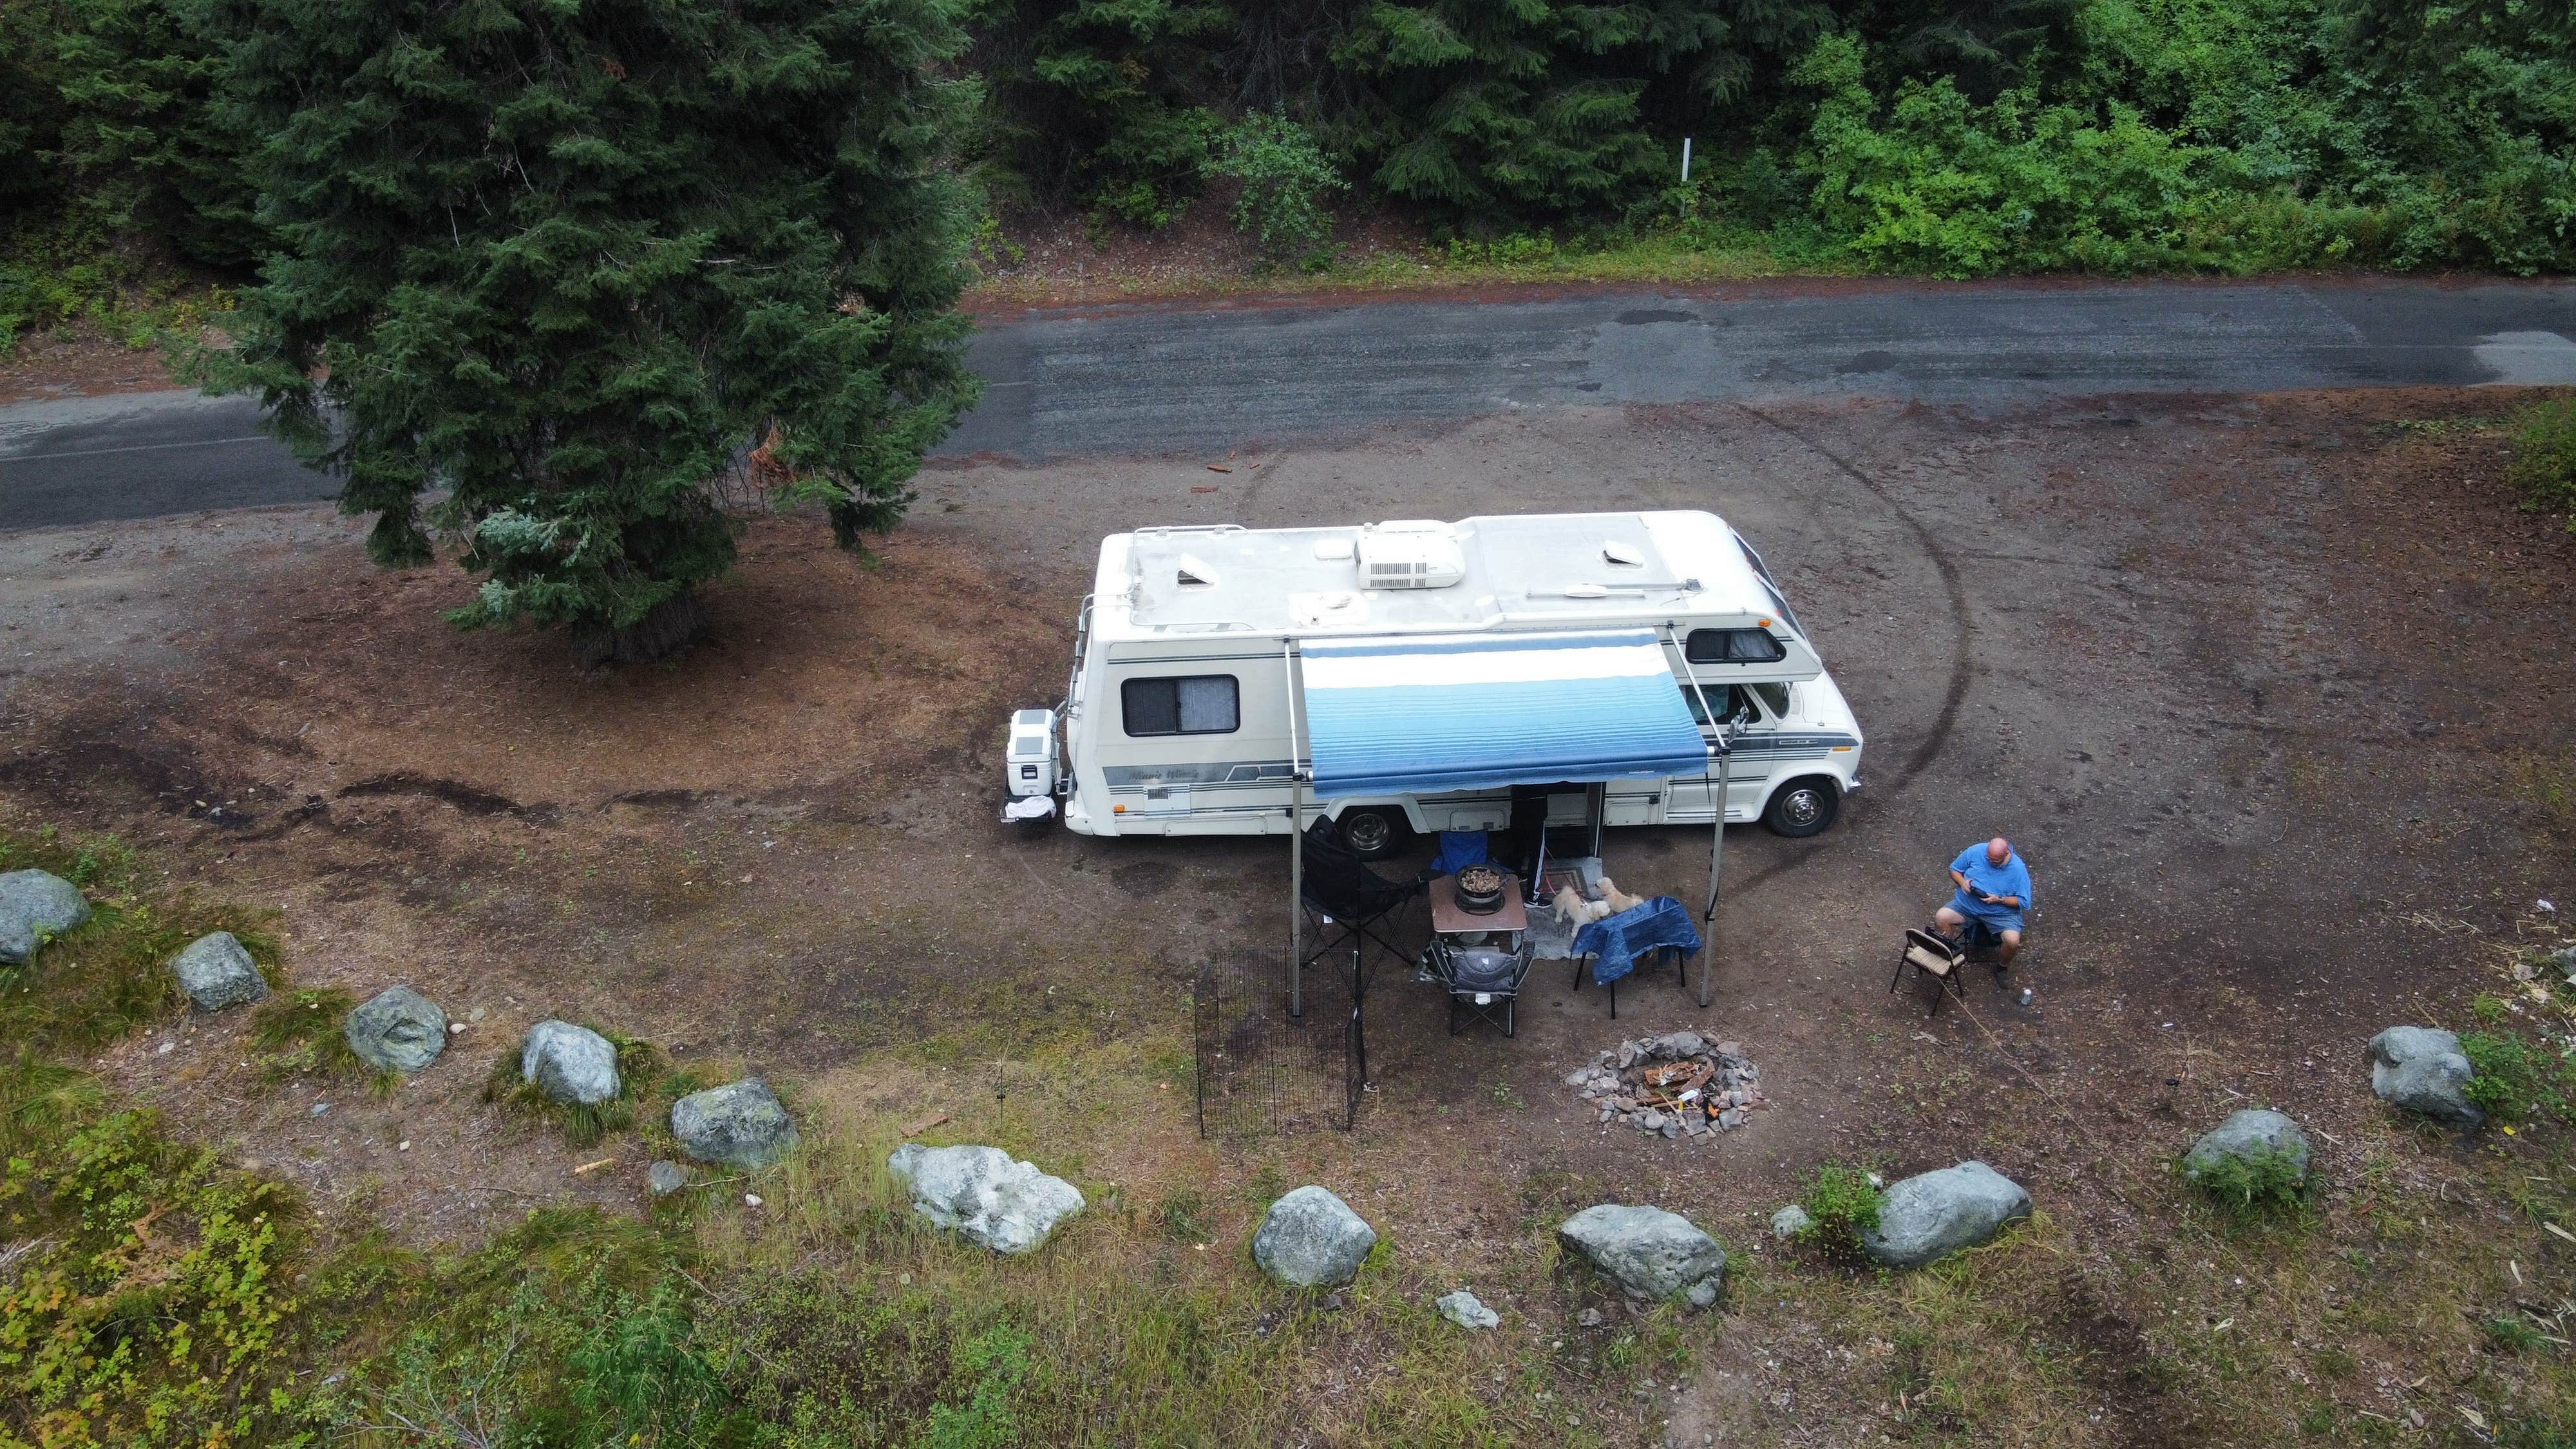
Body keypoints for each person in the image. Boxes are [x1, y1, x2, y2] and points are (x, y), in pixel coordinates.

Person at [1935, 837, 2031, 967]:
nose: (1990, 862)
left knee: (2012, 941)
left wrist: (2000, 900)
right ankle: (1947, 954)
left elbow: (2024, 902)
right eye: (1988, 859)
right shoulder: (1977, 850)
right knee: (1941, 918)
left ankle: (2002, 967)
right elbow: (1954, 869)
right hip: (1968, 906)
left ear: (2007, 853)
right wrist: (1962, 883)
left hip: (1999, 913)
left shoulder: (2018, 869)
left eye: (1995, 861)